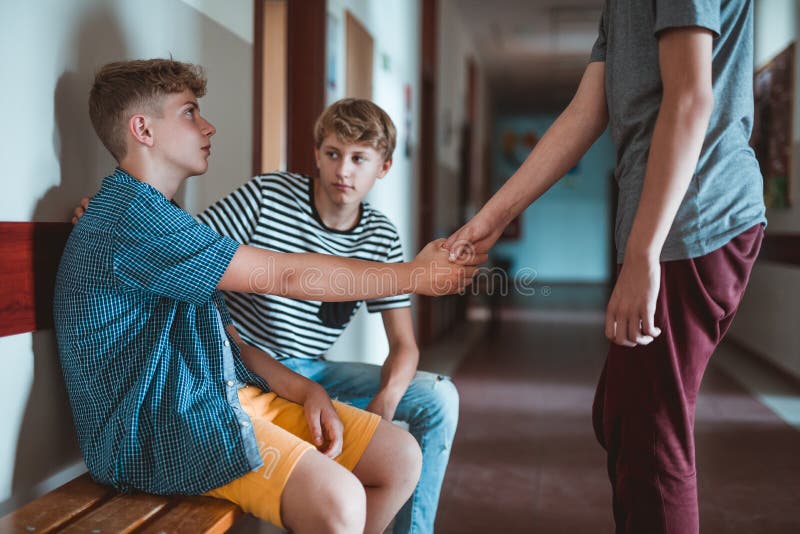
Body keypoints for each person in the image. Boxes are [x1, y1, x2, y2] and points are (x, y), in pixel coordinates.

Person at [55, 58, 479, 534]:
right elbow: (286, 275)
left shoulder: (165, 218)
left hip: (224, 389)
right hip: (162, 425)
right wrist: (413, 276)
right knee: (341, 501)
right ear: (143, 129)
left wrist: (307, 389)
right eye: (190, 112)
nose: (208, 125)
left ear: (380, 168)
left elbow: (226, 337)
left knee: (400, 457)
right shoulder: (134, 217)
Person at [445, 2, 766, 533]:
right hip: (666, 224)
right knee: (621, 415)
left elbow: (690, 99)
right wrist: (492, 218)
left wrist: (642, 256)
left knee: (649, 439)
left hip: (690, 219)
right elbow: (585, 111)